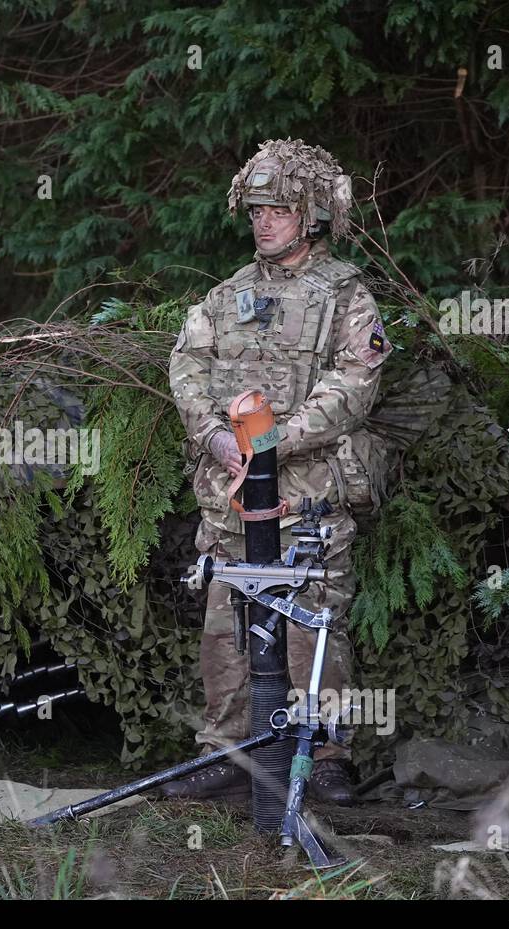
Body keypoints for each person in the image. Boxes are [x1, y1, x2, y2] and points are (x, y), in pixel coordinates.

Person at [165, 139, 391, 804]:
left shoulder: (346, 296)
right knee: (225, 625)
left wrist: (273, 442)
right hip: (230, 497)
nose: (264, 222)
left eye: (280, 210)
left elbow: (356, 382)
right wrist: (213, 435)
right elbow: (187, 367)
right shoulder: (225, 295)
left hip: (308, 497)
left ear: (314, 215)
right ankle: (228, 750)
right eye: (257, 210)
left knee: (312, 625)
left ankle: (324, 752)